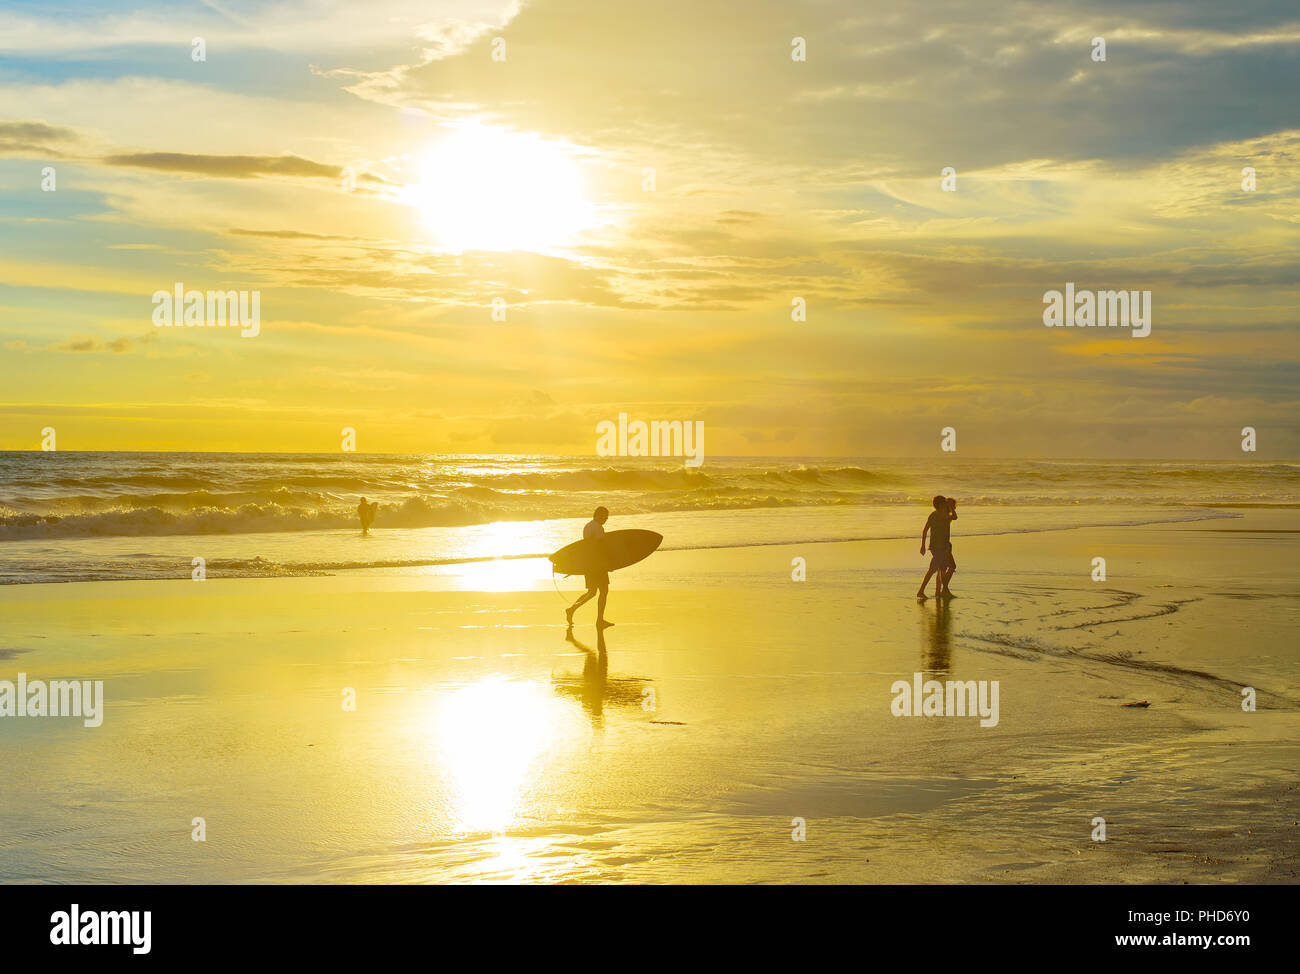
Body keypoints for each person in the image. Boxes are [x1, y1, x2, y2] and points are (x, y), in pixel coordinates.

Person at [566, 506, 613, 629]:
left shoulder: (588, 526)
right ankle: (600, 620)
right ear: (598, 515)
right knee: (603, 591)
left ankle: (571, 609)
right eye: (605, 516)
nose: (606, 519)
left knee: (592, 592)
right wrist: (608, 564)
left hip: (589, 564)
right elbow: (599, 548)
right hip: (597, 565)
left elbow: (587, 547)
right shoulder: (597, 528)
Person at [917, 494, 957, 600]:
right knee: (933, 570)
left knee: (941, 569)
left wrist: (923, 546)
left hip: (940, 546)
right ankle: (921, 591)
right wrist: (922, 546)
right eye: (944, 502)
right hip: (939, 547)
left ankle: (939, 591)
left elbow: (925, 530)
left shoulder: (935, 514)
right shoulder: (939, 515)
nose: (946, 504)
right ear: (940, 505)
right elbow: (955, 517)